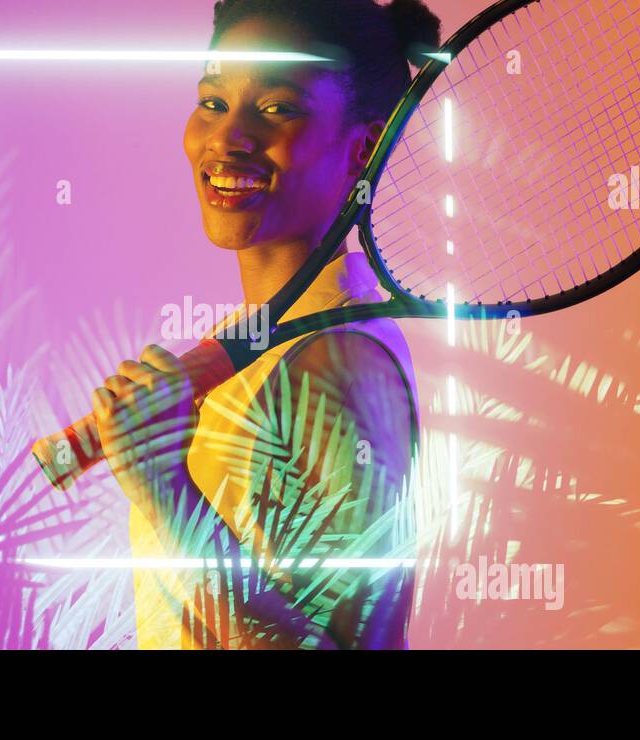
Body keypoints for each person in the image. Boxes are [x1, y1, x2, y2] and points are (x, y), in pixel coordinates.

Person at [92, 0, 441, 649]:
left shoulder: (335, 362)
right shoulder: (266, 344)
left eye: (277, 107)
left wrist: (167, 495)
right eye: (213, 101)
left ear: (363, 145)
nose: (228, 138)